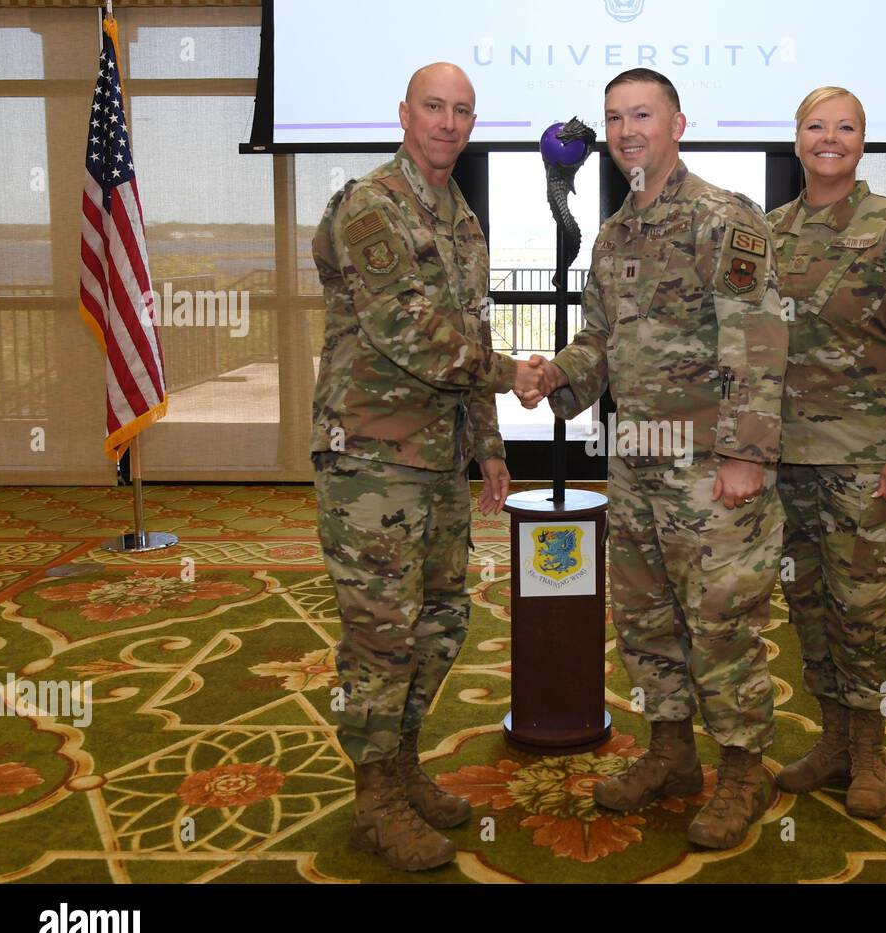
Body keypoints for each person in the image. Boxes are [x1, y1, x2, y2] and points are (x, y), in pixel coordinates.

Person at [524, 69, 788, 850]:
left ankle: (743, 769)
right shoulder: (613, 234)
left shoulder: (722, 217)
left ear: (678, 123)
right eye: (615, 118)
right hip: (637, 464)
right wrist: (554, 377)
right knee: (645, 622)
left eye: (643, 114)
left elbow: (760, 341)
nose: (627, 129)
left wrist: (745, 454)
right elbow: (601, 343)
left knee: (722, 622)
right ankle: (671, 753)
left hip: (710, 470)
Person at [310, 62, 545, 871]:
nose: (448, 123)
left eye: (463, 112)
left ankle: (403, 767)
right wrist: (513, 371)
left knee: (440, 622)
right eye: (434, 108)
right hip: (372, 455)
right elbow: (407, 331)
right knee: (379, 635)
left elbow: (466, 331)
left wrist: (488, 444)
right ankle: (372, 798)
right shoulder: (370, 206)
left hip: (437, 457)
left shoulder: (462, 221)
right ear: (404, 113)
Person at [765, 86, 886, 818]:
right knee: (808, 601)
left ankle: (871, 747)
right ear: (797, 138)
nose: (829, 138)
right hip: (788, 462)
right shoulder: (769, 233)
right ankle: (834, 738)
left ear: (863, 141)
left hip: (870, 462)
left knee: (863, 609)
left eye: (845, 127)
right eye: (816, 125)